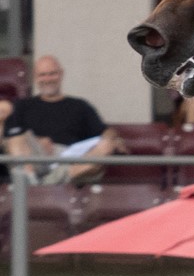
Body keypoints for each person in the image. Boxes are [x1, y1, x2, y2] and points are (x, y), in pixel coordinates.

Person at [4, 55, 124, 184]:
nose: (48, 79)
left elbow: (103, 132)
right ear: (35, 77)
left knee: (106, 145)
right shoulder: (22, 106)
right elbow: (11, 136)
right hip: (36, 159)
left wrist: (112, 137)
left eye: (52, 74)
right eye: (42, 75)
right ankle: (38, 184)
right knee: (15, 141)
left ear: (61, 74)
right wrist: (37, 141)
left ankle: (39, 189)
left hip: (72, 162)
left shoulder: (80, 106)